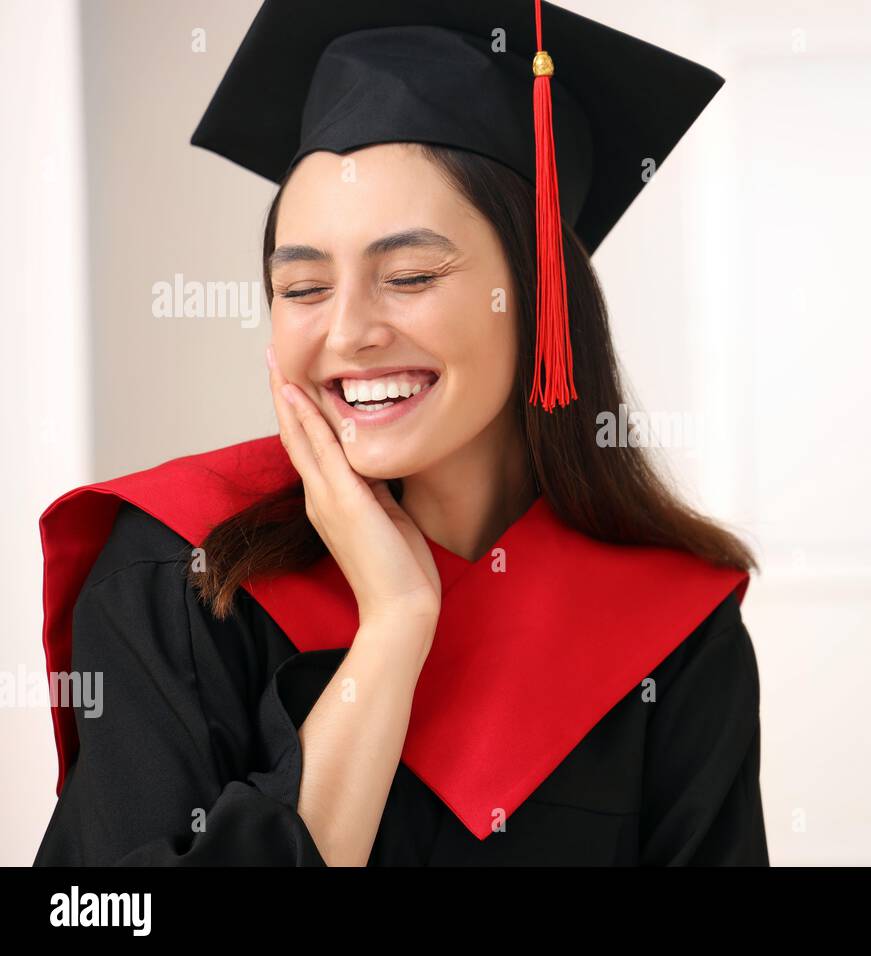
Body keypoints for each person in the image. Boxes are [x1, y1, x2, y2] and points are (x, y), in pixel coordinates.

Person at [33, 0, 767, 866]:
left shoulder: (672, 632)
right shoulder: (178, 571)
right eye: (302, 288)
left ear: (540, 300)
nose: (347, 333)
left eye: (410, 274)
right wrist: (391, 631)